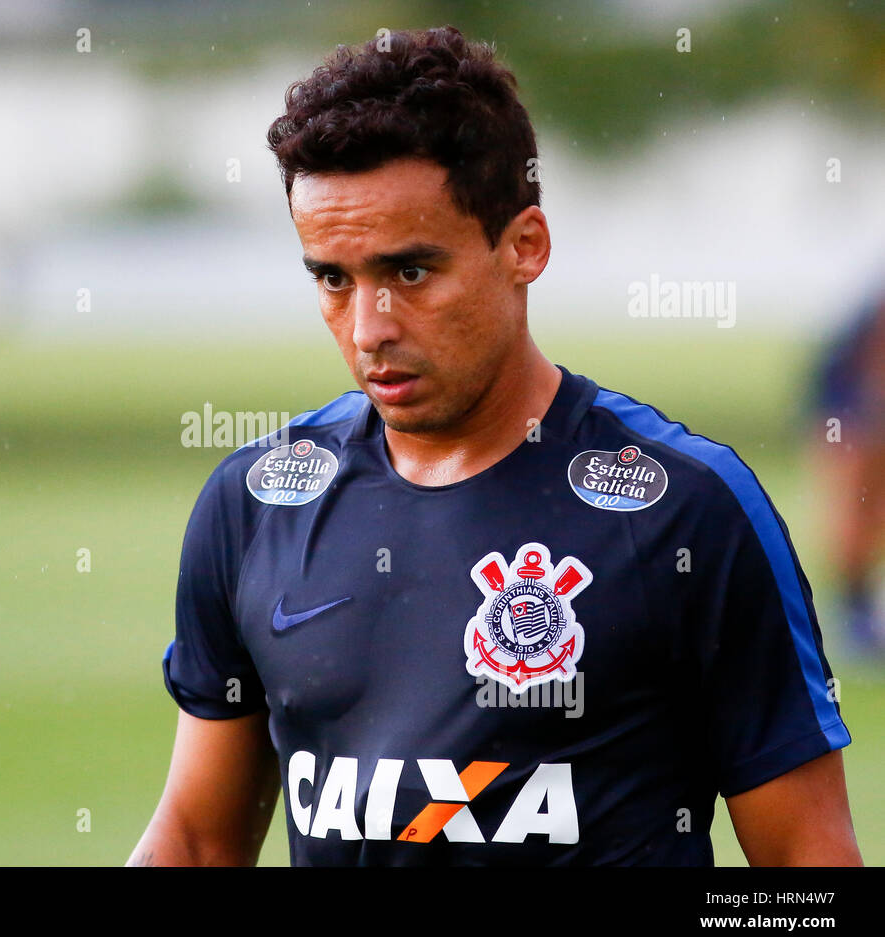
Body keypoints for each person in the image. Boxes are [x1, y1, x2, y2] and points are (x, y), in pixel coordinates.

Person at [127, 26, 860, 866]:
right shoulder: (258, 503)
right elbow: (195, 837)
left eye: (410, 272)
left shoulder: (684, 509)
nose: (369, 329)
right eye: (333, 278)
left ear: (525, 247)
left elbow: (808, 868)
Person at [812, 287, 885, 656]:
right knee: (858, 505)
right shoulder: (875, 314)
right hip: (848, 409)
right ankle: (851, 617)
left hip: (859, 403)